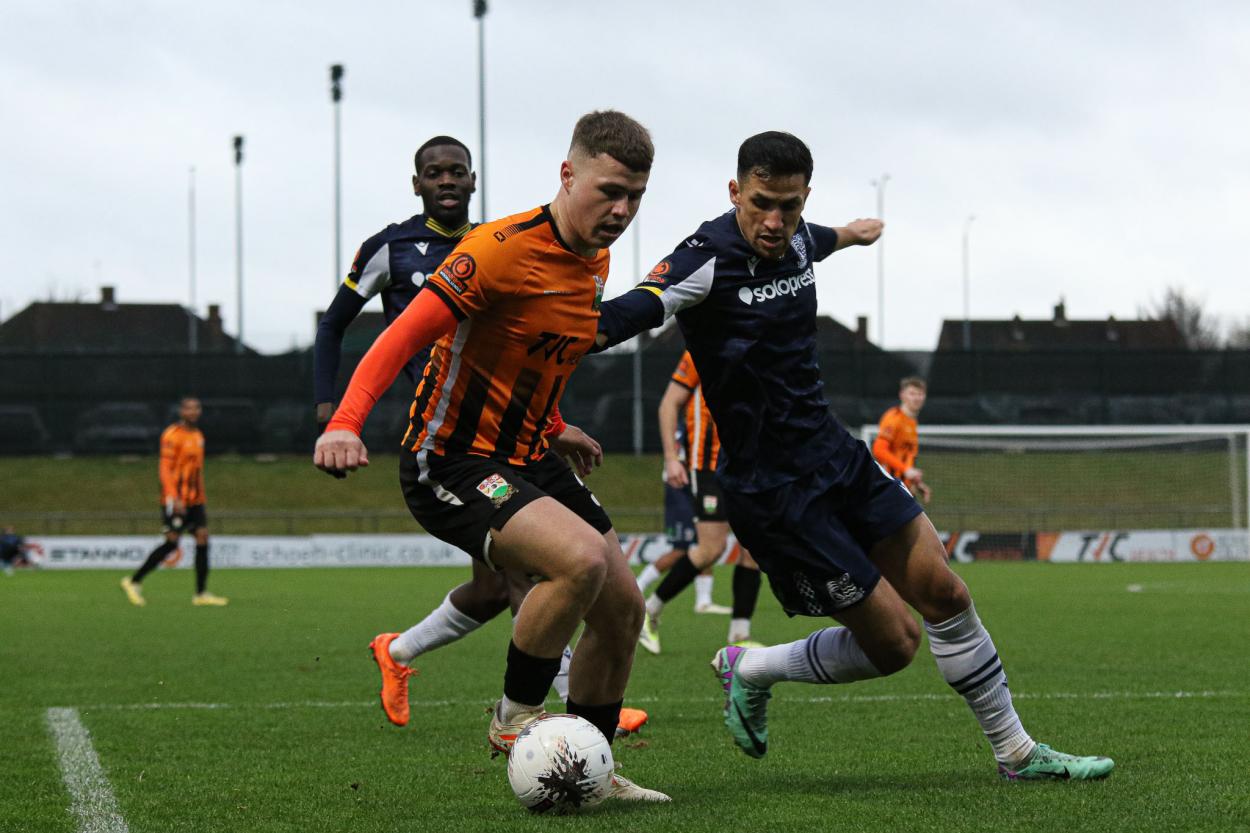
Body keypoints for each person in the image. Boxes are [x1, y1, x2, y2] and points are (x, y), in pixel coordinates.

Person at [595, 131, 1113, 781]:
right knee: (896, 643)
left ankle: (1017, 753)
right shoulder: (706, 258)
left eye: (789, 205)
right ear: (734, 193)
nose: (775, 222)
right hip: (772, 491)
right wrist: (543, 318)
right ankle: (750, 666)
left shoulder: (802, 235)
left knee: (946, 593)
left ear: (804, 196)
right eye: (761, 204)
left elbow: (821, 237)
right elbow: (626, 313)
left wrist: (853, 232)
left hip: (837, 455)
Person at [315, 111, 668, 802]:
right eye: (609, 191)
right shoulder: (496, 249)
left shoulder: (594, 259)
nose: (621, 210)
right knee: (580, 562)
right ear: (568, 175)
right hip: (451, 459)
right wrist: (345, 422)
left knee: (625, 608)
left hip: (528, 454)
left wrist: (558, 421)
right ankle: (514, 720)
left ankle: (591, 770)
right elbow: (398, 341)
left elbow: (541, 352)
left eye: (635, 196)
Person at [637, 350, 763, 654]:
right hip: (708, 466)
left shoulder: (759, 349)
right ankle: (650, 611)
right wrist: (671, 457)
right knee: (711, 549)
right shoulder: (699, 351)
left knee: (754, 549)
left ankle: (739, 635)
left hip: (747, 465)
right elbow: (669, 403)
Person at [121, 397, 228, 607]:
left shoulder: (198, 436)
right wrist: (173, 497)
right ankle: (133, 581)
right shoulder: (172, 435)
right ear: (181, 411)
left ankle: (201, 594)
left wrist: (201, 497)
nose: (193, 412)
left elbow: (197, 472)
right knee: (171, 543)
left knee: (203, 538)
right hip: (177, 500)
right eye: (189, 408)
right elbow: (165, 469)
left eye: (197, 408)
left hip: (196, 500)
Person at [873, 376, 932, 503]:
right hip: (891, 488)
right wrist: (906, 470)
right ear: (902, 395)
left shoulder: (912, 422)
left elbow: (906, 457)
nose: (916, 398)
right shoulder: (894, 418)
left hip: (905, 489)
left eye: (920, 394)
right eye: (912, 394)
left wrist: (917, 482)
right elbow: (878, 449)